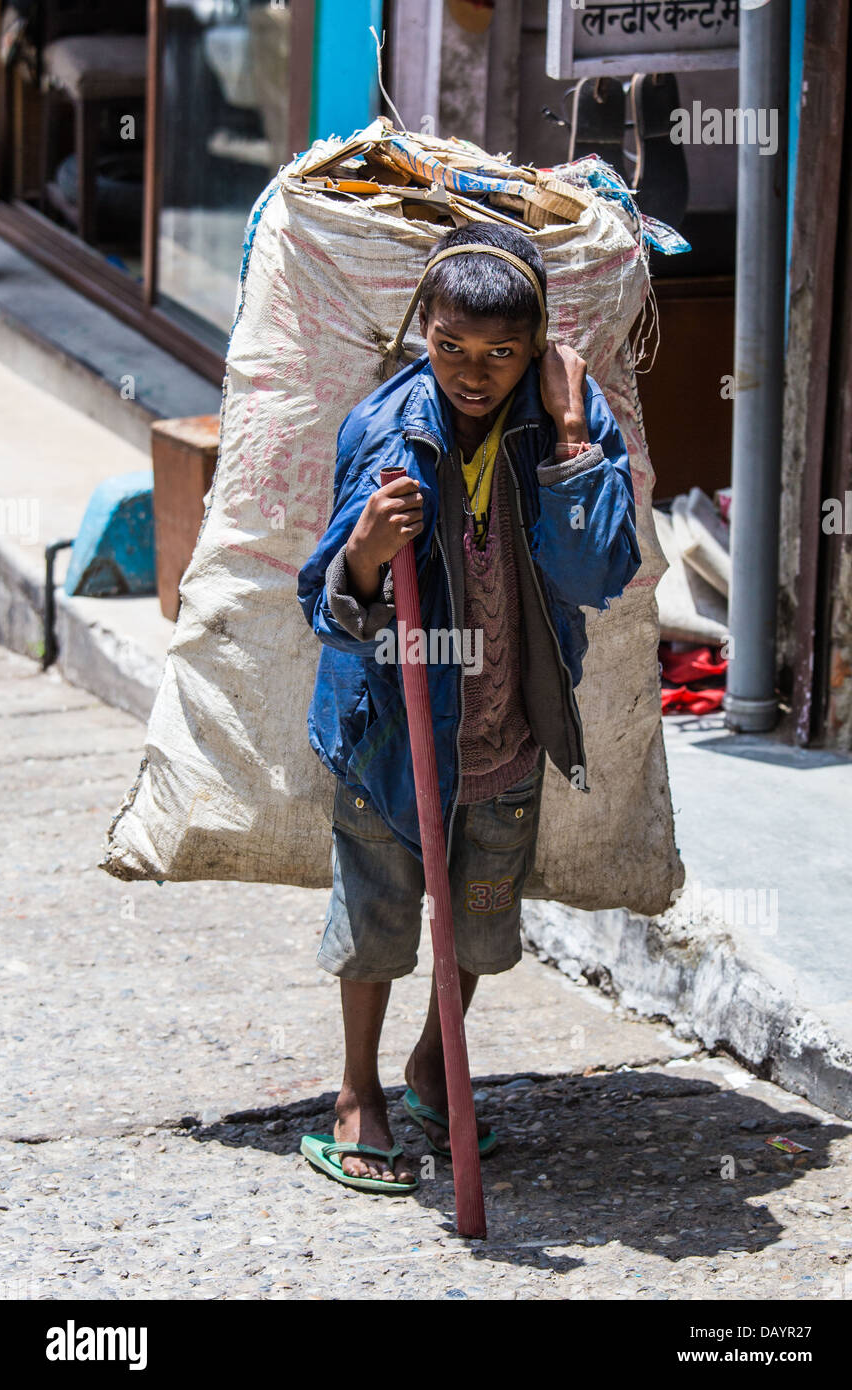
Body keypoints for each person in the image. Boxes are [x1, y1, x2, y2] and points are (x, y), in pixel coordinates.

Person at [296, 222, 641, 1192]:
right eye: (450, 347)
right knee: (375, 919)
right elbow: (327, 605)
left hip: (506, 730)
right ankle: (358, 1088)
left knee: (481, 919)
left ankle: (431, 1063)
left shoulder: (566, 418)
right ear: (423, 331)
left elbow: (594, 572)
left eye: (500, 353)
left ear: (536, 345)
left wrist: (570, 437)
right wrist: (366, 548)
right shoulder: (387, 428)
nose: (473, 373)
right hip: (390, 738)